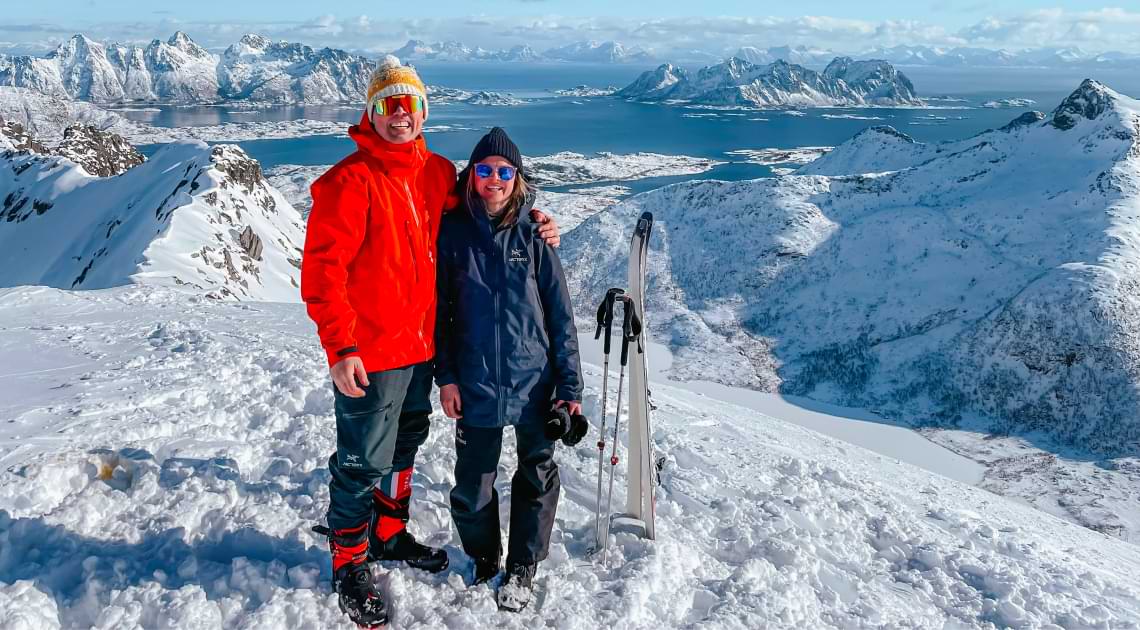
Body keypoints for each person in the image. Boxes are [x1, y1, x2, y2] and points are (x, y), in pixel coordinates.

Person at [301, 58, 559, 627]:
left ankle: (389, 532)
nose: (400, 114)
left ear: (423, 112)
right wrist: (341, 348)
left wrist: (536, 222)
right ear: (372, 112)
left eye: (410, 104)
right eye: (388, 104)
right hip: (370, 354)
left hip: (421, 349)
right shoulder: (348, 182)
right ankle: (349, 560)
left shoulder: (439, 174)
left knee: (405, 445)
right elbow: (322, 274)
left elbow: (491, 204)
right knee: (361, 459)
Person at [435, 127, 583, 612]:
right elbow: (440, 315)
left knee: (536, 475)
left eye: (504, 171)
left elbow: (560, 316)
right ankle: (484, 558)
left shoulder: (535, 236)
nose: (493, 179)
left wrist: (569, 386)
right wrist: (447, 377)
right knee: (472, 481)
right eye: (484, 169)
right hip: (474, 381)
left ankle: (522, 566)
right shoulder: (452, 233)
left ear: (517, 178)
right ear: (471, 175)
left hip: (534, 381)